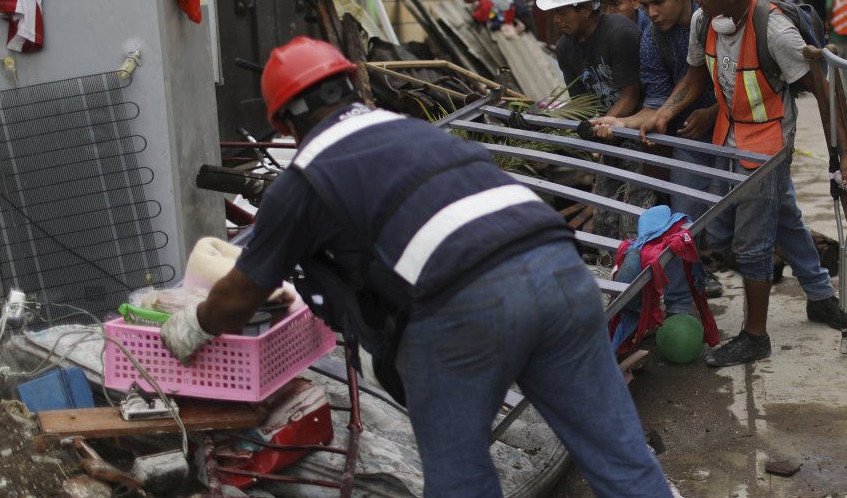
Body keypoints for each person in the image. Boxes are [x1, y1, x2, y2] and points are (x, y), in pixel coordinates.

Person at [159, 37, 673, 498]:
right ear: (353, 88)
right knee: (621, 460)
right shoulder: (416, 132)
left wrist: (192, 325)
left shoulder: (303, 180)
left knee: (461, 481)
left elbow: (243, 294)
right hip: (565, 277)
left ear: (283, 123)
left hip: (467, 310)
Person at [639, 0, 847, 367]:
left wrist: (845, 155)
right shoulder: (706, 21)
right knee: (766, 222)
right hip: (728, 135)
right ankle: (819, 296)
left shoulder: (773, 29)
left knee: (752, 244)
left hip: (768, 147)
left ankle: (755, 336)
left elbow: (823, 88)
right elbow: (694, 78)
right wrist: (664, 113)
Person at [590, 0, 723, 303]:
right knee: (684, 217)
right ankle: (687, 294)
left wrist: (712, 112)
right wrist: (620, 122)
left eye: (659, 3)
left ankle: (817, 291)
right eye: (645, 5)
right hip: (686, 136)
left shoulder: (712, 22)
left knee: (739, 222)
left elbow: (734, 82)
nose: (651, 13)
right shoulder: (653, 39)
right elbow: (654, 103)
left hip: (736, 129)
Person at [537, 0, 654, 246]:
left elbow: (631, 96)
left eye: (562, 11)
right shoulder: (565, 47)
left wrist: (600, 122)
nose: (556, 19)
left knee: (633, 222)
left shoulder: (620, 34)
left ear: (587, 8)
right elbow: (583, 102)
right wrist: (548, 124)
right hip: (607, 139)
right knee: (604, 223)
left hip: (640, 137)